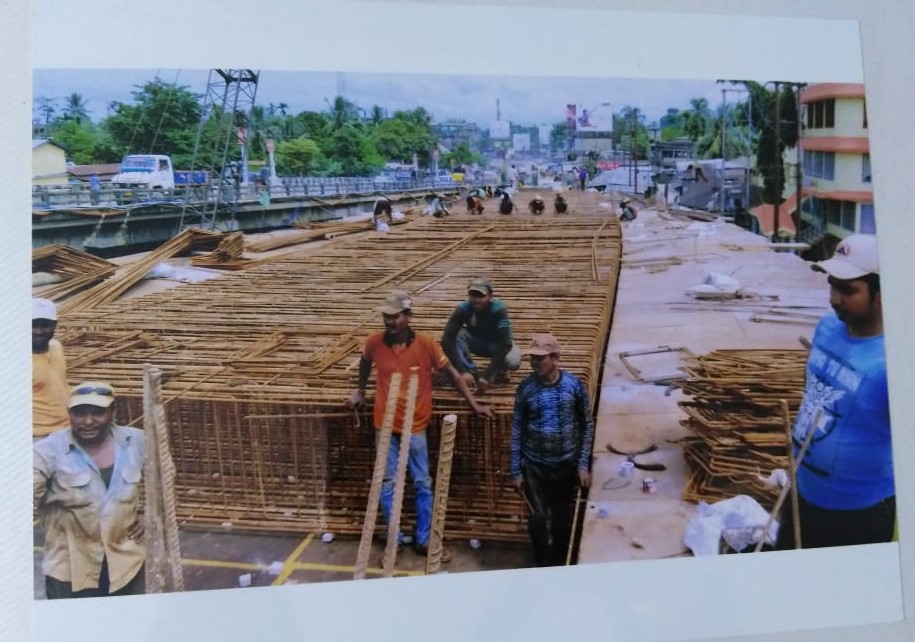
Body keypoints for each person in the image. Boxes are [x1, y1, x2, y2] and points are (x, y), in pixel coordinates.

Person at [346, 290, 493, 563]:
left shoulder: (426, 345)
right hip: (384, 424)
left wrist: (473, 405)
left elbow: (452, 375)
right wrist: (360, 391)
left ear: (408, 317)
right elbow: (365, 362)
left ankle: (426, 539)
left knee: (422, 482)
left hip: (415, 426)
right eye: (386, 316)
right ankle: (394, 541)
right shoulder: (374, 342)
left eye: (395, 316)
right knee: (387, 483)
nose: (389, 321)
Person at [778, 234, 892, 549]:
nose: (833, 298)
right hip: (802, 489)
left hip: (858, 513)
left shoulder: (892, 362)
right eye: (832, 285)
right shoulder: (827, 328)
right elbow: (811, 389)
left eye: (847, 290)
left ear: (884, 293)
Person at [33, 381, 147, 598]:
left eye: (97, 413)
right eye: (80, 413)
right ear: (69, 413)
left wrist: (148, 513)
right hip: (71, 570)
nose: (88, 421)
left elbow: (163, 478)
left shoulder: (136, 442)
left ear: (113, 411)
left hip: (125, 567)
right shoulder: (47, 451)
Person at [510, 333, 594, 566]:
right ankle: (541, 565)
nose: (535, 363)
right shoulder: (525, 389)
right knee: (537, 518)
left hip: (565, 466)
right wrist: (516, 471)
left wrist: (582, 464)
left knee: (560, 520)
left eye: (540, 358)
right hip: (535, 466)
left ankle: (558, 565)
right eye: (532, 359)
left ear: (555, 358)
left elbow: (587, 424)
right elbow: (517, 429)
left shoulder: (574, 386)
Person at [441, 278, 521, 395]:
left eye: (481, 296)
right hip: (477, 342)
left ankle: (500, 370)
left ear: (490, 296)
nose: (476, 300)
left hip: (498, 344)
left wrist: (488, 374)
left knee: (513, 361)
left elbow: (506, 343)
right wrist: (462, 370)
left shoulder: (499, 310)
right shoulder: (463, 309)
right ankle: (470, 372)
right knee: (458, 334)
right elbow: (446, 340)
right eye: (473, 296)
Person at [33, 298, 69, 438]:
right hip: (38, 435)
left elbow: (62, 384)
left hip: (67, 428)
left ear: (55, 325)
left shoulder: (56, 346)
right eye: (33, 325)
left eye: (44, 325)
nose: (38, 331)